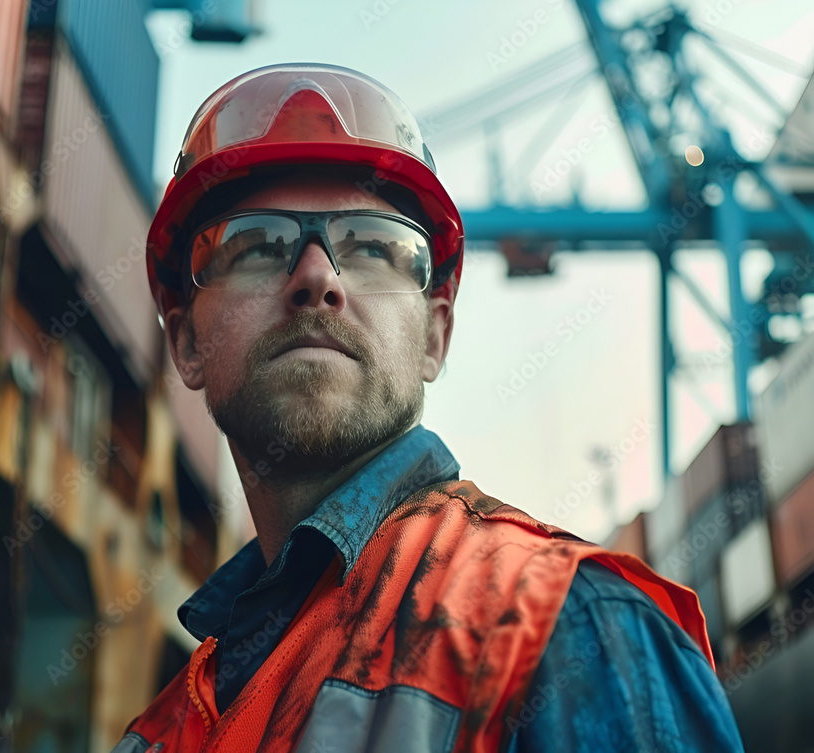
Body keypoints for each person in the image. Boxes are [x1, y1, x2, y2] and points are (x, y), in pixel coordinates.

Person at [112, 64, 743, 752]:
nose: (317, 277)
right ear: (185, 340)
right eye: (257, 243)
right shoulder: (161, 734)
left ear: (435, 334)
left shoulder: (568, 629)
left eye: (373, 246)